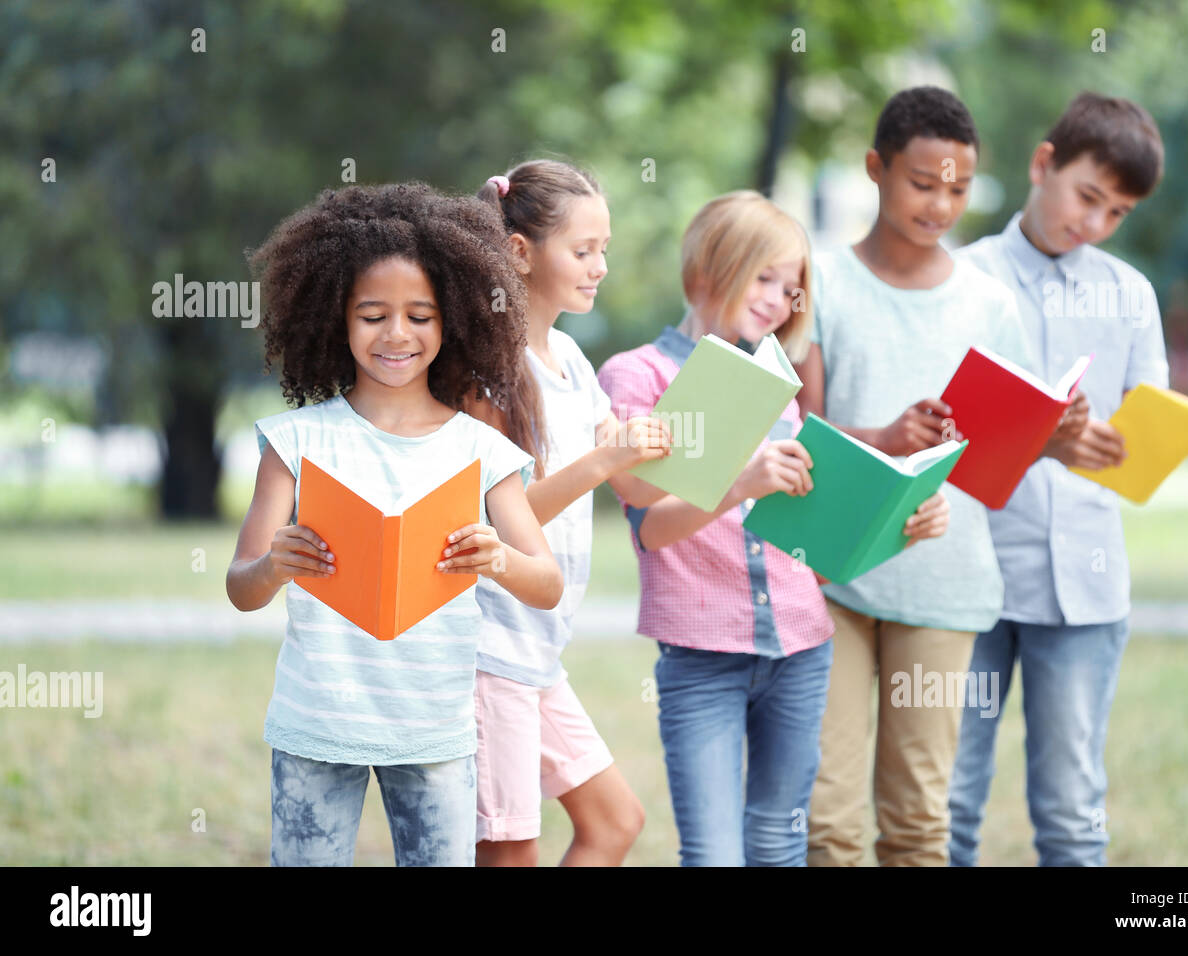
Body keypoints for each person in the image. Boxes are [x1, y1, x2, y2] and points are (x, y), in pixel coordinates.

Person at [598, 190, 952, 866]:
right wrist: (744, 481)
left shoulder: (775, 386)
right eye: (765, 276)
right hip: (702, 656)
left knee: (780, 843)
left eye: (791, 289)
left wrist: (900, 525)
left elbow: (809, 548)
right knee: (714, 854)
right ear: (709, 266)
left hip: (800, 649)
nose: (779, 299)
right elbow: (649, 527)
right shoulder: (637, 376)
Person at [226, 182, 563, 866]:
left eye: (421, 315)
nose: (397, 335)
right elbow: (240, 586)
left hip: (435, 728)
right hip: (317, 723)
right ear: (333, 319)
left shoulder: (482, 452)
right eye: (372, 315)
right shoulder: (293, 443)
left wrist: (496, 558)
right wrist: (274, 566)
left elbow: (547, 584)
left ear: (455, 321)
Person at [948, 92, 1188, 867]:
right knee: (946, 807)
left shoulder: (1129, 293)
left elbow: (1147, 426)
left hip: (1084, 585)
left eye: (1117, 213)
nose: (1095, 224)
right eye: (1087, 197)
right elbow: (940, 431)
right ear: (1043, 164)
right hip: (970, 579)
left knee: (1073, 812)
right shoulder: (961, 279)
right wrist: (1038, 435)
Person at [796, 86, 1036, 866]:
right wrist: (889, 438)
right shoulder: (821, 284)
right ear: (875, 168)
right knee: (827, 820)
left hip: (944, 583)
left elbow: (1001, 457)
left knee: (918, 820)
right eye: (922, 183)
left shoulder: (991, 305)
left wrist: (1042, 430)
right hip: (833, 578)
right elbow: (800, 433)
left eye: (959, 189)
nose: (941, 204)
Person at [468, 159, 672, 866]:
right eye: (583, 251)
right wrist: (602, 462)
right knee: (509, 851)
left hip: (537, 653)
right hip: (489, 649)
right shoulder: (491, 368)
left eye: (604, 251)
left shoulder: (574, 362)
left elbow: (630, 478)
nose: (600, 267)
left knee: (615, 822)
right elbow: (498, 517)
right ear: (521, 253)